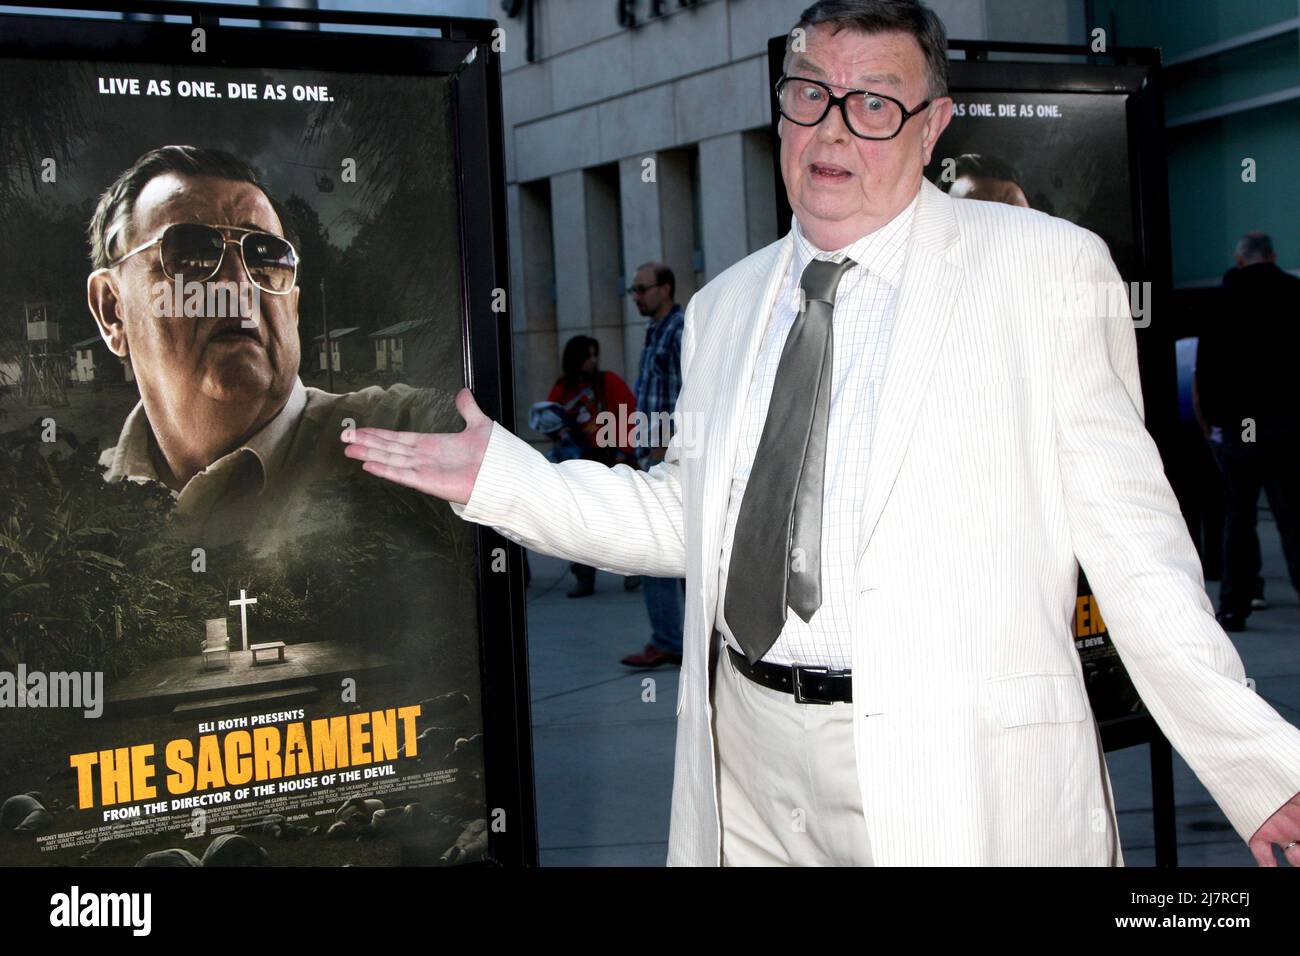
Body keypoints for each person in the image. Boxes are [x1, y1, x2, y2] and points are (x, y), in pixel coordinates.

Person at [343, 0, 1300, 867]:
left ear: (931, 128)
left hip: (950, 773)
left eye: (875, 103)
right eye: (810, 94)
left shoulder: (1043, 271)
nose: (833, 127)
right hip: (747, 766)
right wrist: (502, 477)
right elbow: (691, 517)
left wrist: (1256, 762)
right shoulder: (726, 308)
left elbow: (1136, 547)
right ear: (781, 111)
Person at [87, 145, 457, 552]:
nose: (238, 285)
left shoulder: (406, 435)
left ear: (293, 309)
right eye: (190, 253)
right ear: (113, 311)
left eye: (266, 257)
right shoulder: (72, 505)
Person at [1195, 232, 1300, 630]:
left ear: (1240, 261)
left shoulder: (1221, 301)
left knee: (1238, 521)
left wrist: (1215, 424)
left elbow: (1205, 371)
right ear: (1272, 257)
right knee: (1292, 518)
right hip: (1287, 428)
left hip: (1241, 430)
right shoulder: (1294, 294)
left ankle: (1234, 605)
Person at [622, 262, 687, 668]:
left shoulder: (680, 330)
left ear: (665, 288)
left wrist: (667, 446)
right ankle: (678, 639)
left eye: (642, 289)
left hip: (674, 458)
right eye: (633, 290)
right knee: (672, 551)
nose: (637, 297)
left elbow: (694, 391)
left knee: (657, 548)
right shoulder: (655, 332)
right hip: (654, 456)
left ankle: (671, 639)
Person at [545, 334, 637, 597]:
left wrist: (624, 451)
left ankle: (633, 571)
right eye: (588, 355)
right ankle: (584, 577)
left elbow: (628, 411)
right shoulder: (563, 387)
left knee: (623, 518)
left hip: (613, 457)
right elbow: (549, 417)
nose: (594, 360)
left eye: (595, 354)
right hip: (580, 463)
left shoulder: (606, 380)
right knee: (582, 522)